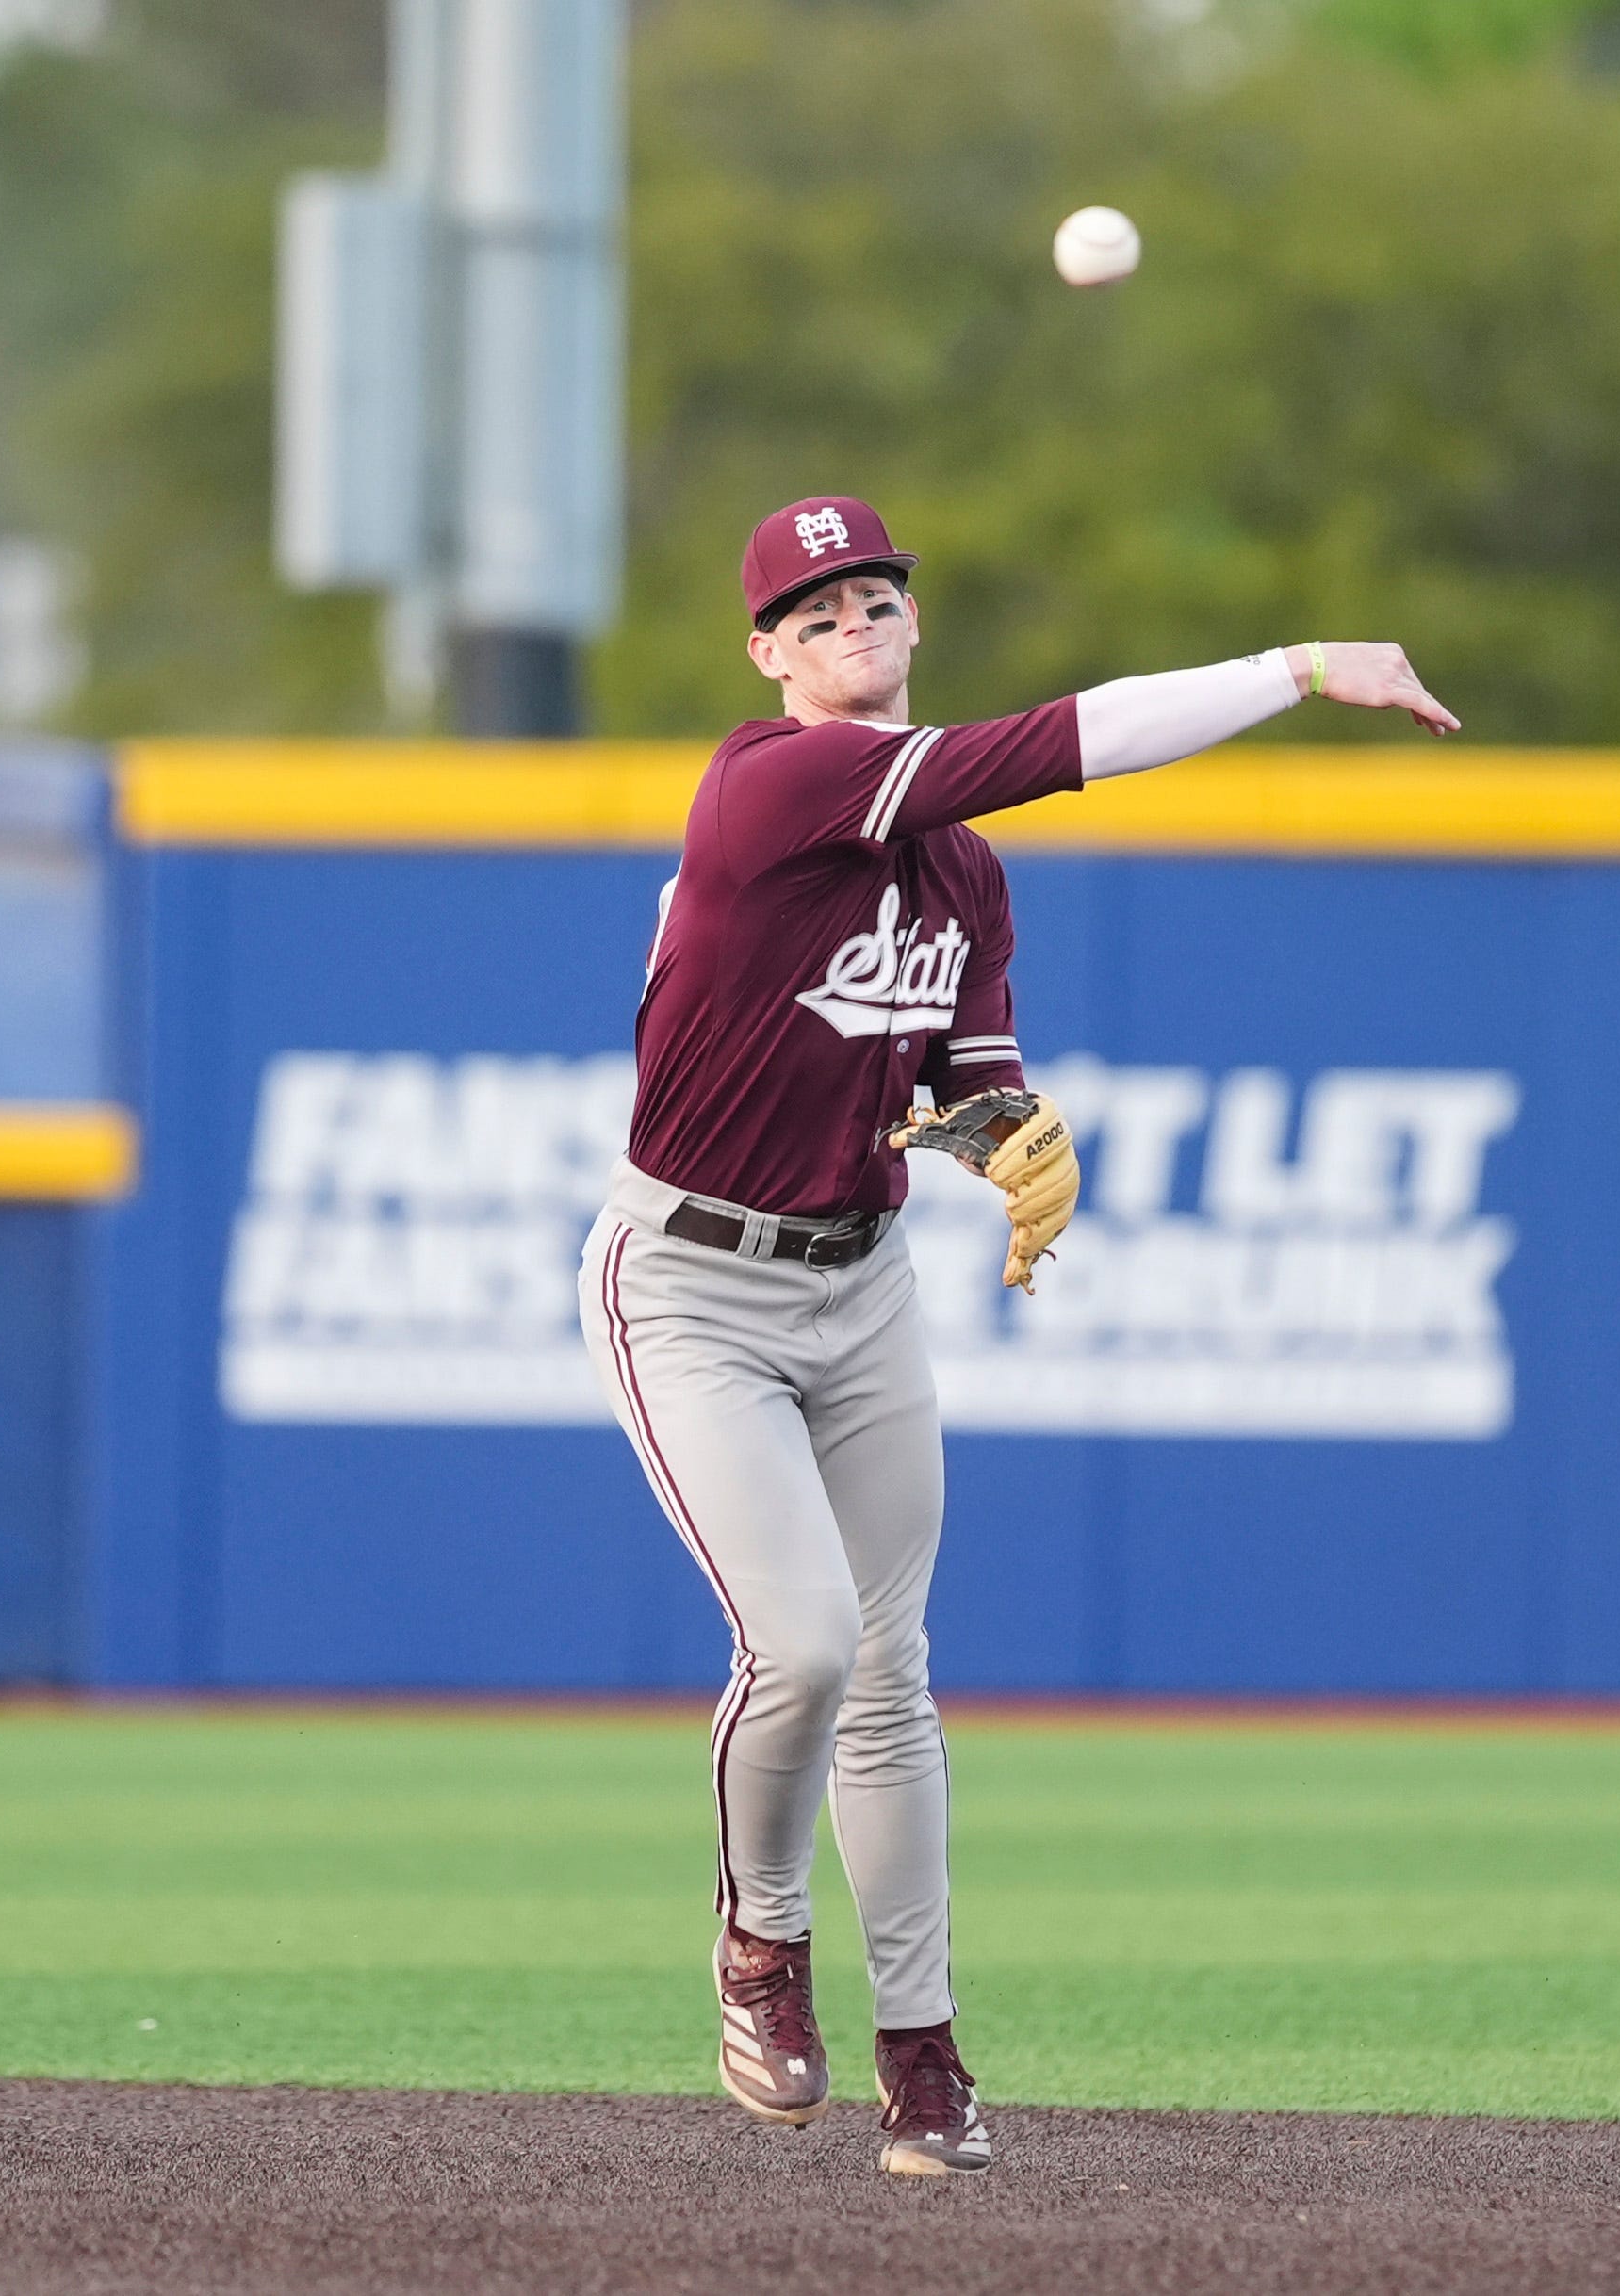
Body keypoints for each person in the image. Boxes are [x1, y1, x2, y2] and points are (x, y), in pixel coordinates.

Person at [577, 495, 1456, 2177]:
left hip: (858, 1284)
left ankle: (925, 2061)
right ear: (767, 651)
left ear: (912, 614)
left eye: (875, 592)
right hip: (690, 1282)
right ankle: (762, 1942)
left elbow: (964, 1086)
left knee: (895, 1678)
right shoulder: (778, 779)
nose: (852, 618)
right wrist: (1297, 664)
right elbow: (1070, 740)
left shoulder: (964, 876)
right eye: (814, 606)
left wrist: (1013, 1140)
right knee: (811, 1646)